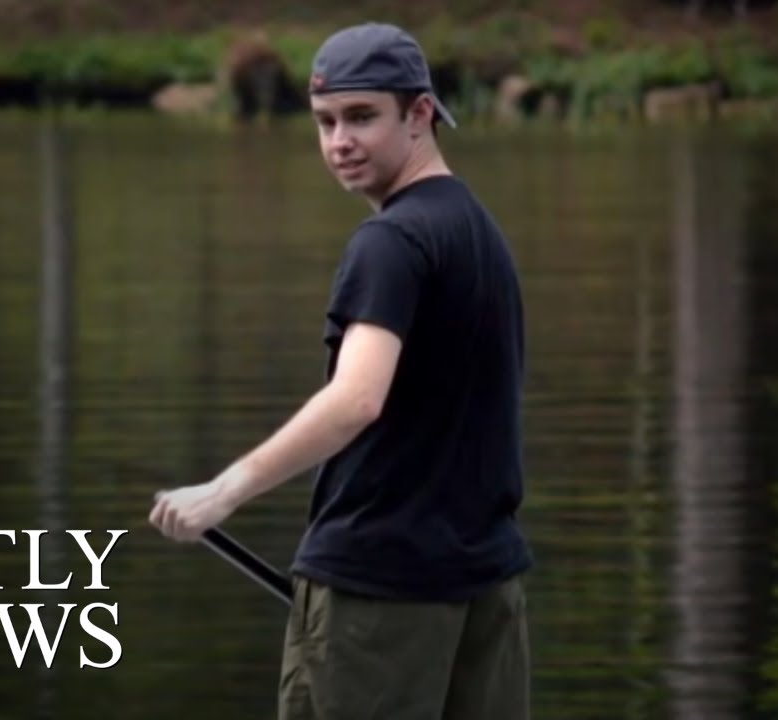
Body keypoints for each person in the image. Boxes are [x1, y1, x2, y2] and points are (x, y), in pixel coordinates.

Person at [150, 21, 532, 720]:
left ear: (420, 113)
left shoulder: (390, 242)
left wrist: (224, 490)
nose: (339, 142)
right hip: (484, 583)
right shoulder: (477, 229)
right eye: (325, 122)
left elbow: (357, 399)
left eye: (362, 117)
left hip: (380, 589)